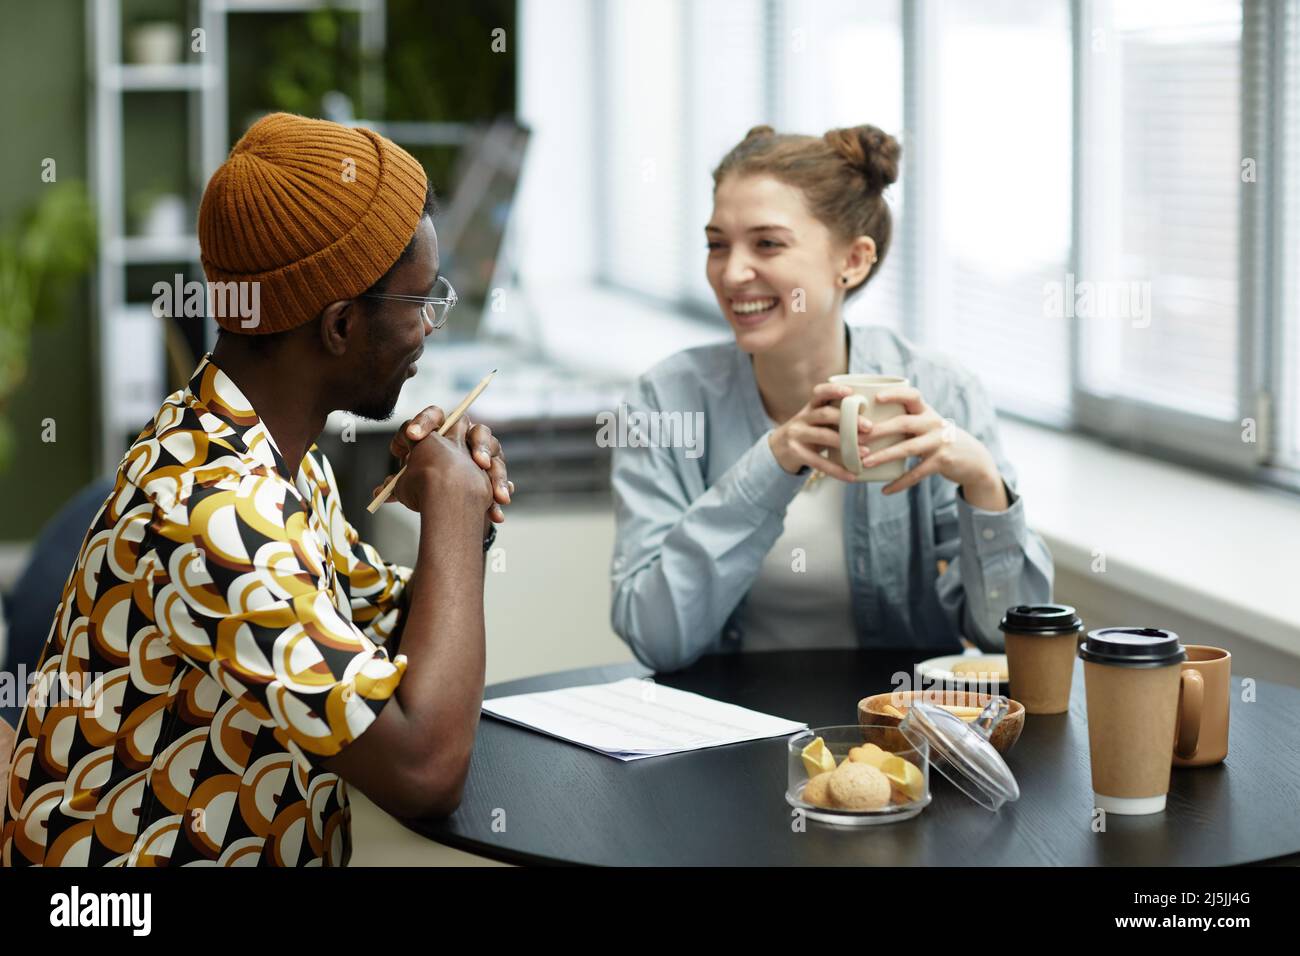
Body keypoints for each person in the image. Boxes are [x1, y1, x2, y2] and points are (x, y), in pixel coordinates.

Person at [0, 113, 511, 866]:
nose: (430, 328)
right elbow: (424, 768)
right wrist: (459, 519)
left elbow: (381, 651)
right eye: (419, 302)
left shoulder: (263, 448)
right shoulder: (217, 516)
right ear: (339, 325)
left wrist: (459, 519)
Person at [610, 124, 1053, 673]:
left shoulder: (939, 393)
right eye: (717, 244)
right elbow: (656, 637)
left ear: (854, 261)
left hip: (894, 738)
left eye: (767, 243)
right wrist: (770, 465)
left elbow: (1012, 641)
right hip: (722, 735)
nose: (731, 272)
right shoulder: (665, 402)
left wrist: (985, 485)